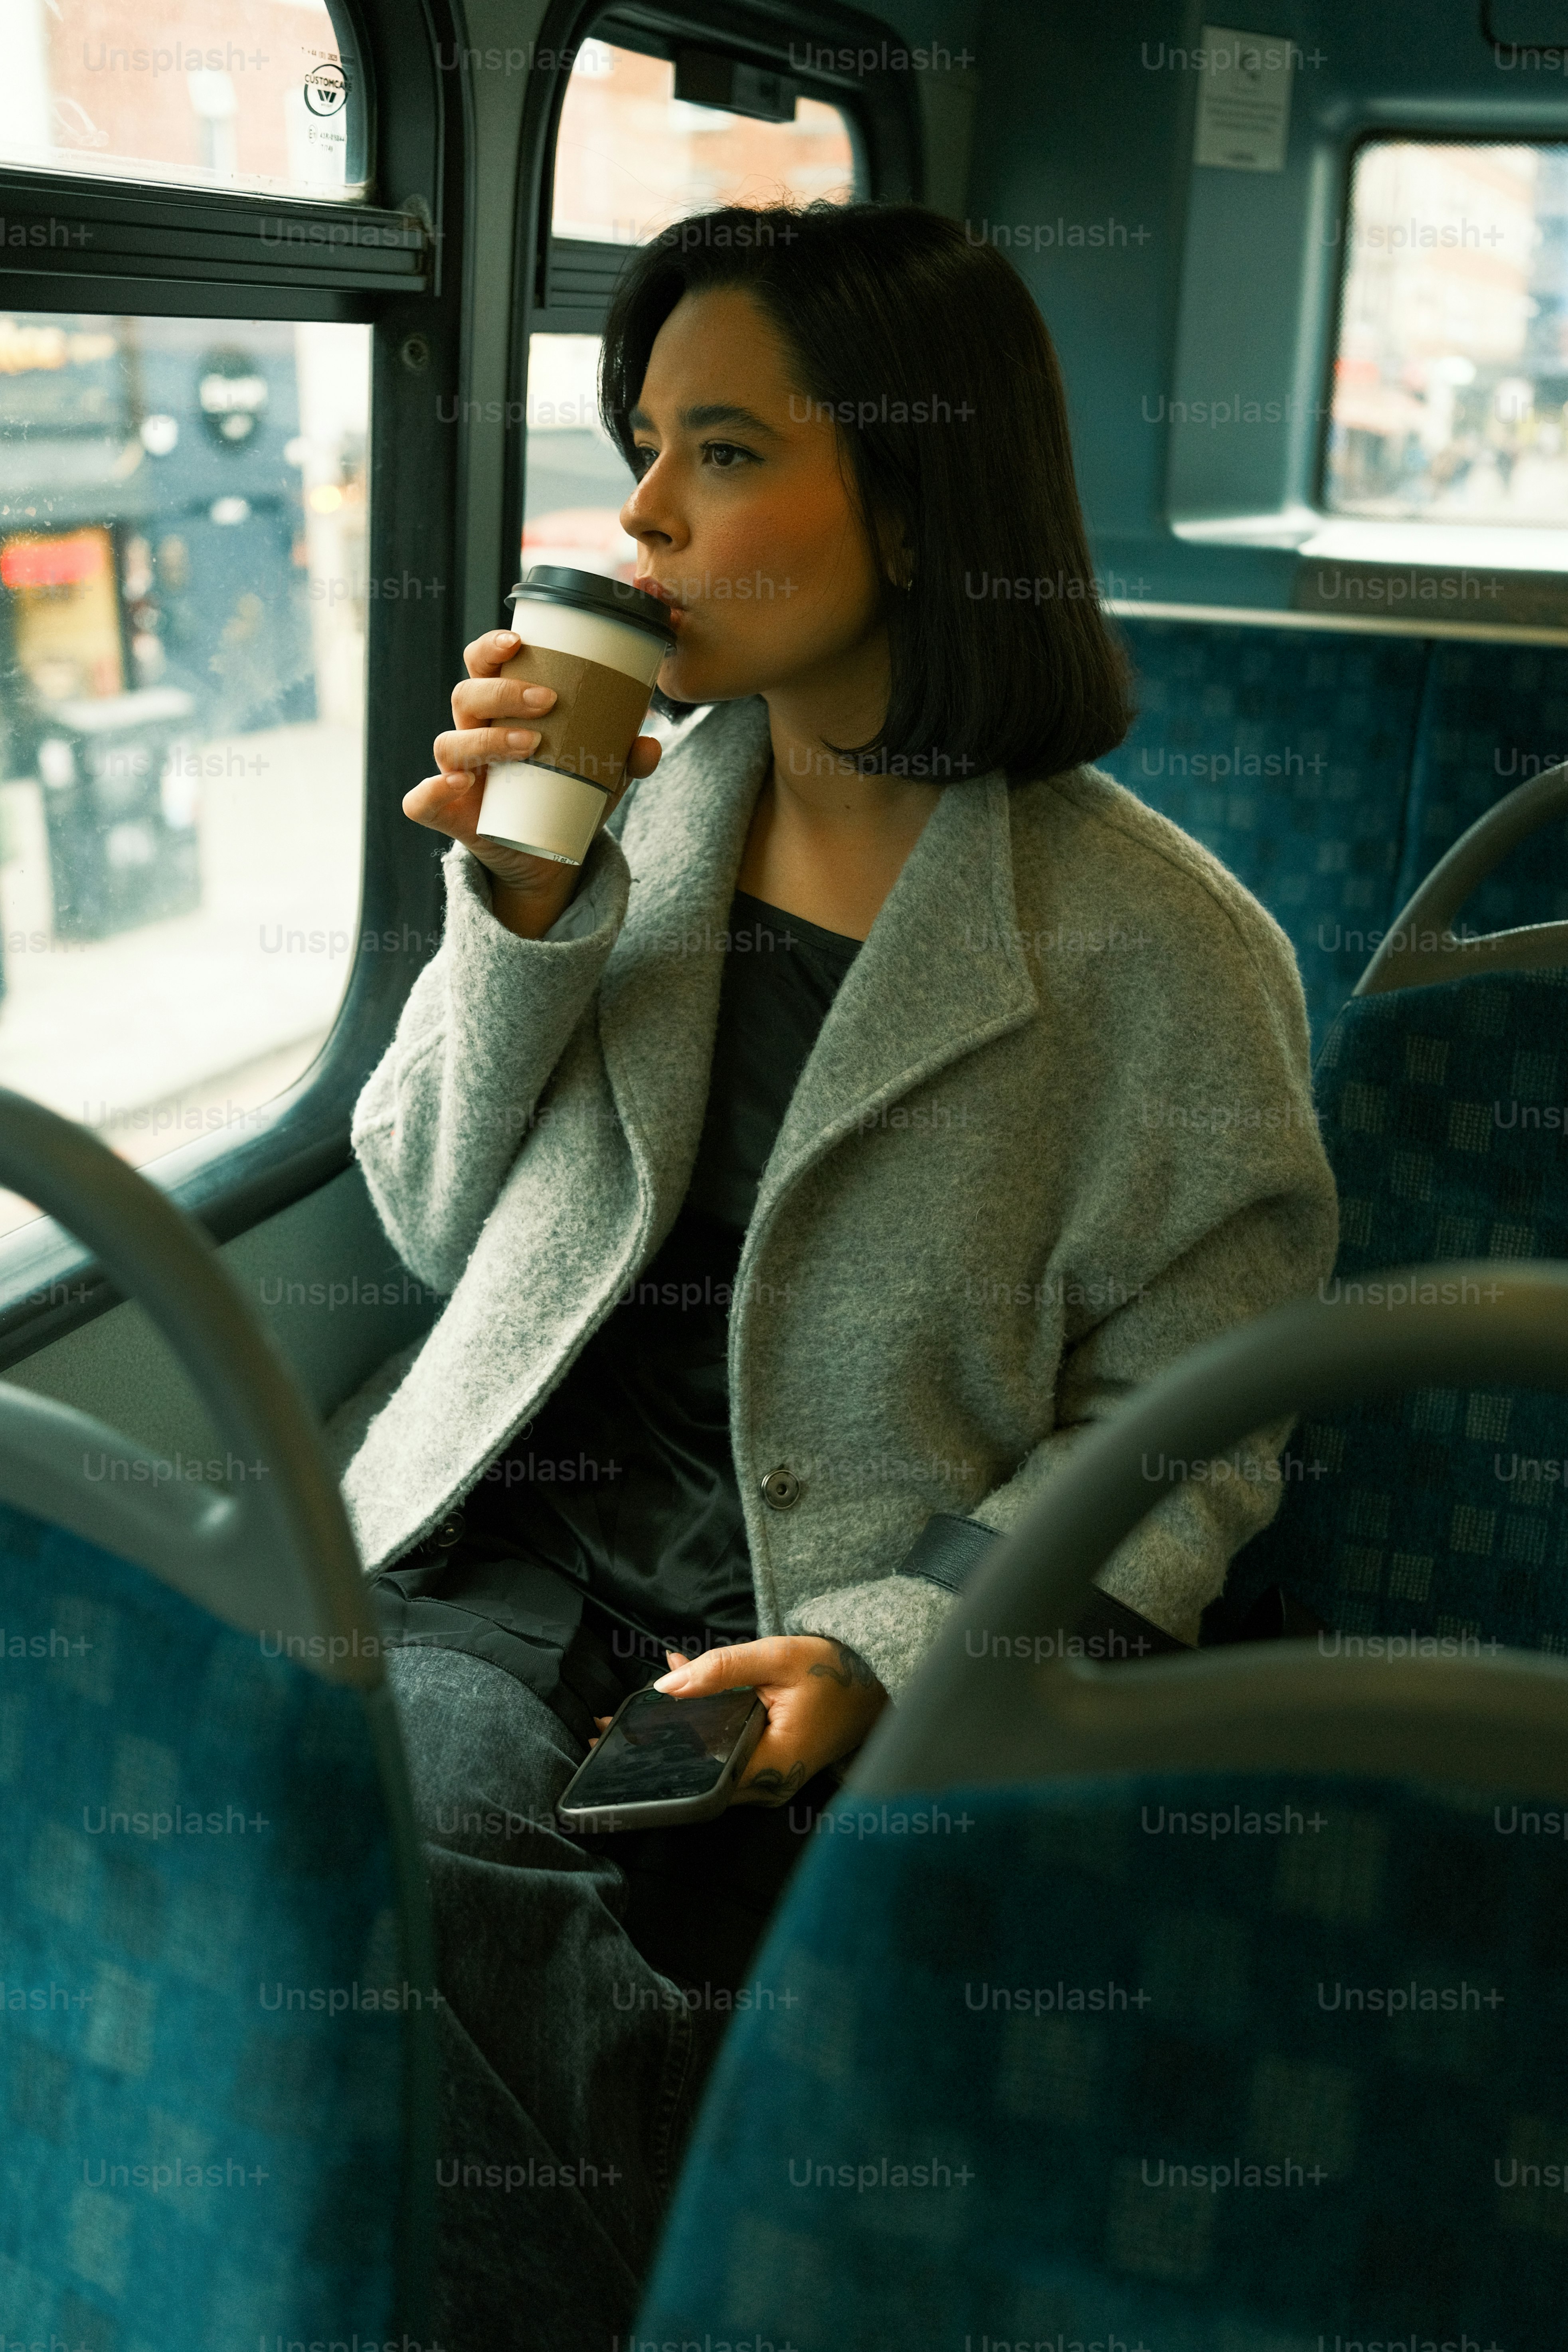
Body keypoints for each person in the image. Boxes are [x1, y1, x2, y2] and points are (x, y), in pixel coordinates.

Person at [322, 200, 1338, 2349]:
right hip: (509, 1570)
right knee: (382, 1817)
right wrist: (520, 907)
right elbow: (421, 1212)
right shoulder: (630, 831)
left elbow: (1206, 1428)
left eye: (726, 451)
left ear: (921, 480)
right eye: (644, 447)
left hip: (832, 1605)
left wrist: (878, 1647)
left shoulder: (1164, 956)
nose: (646, 514)